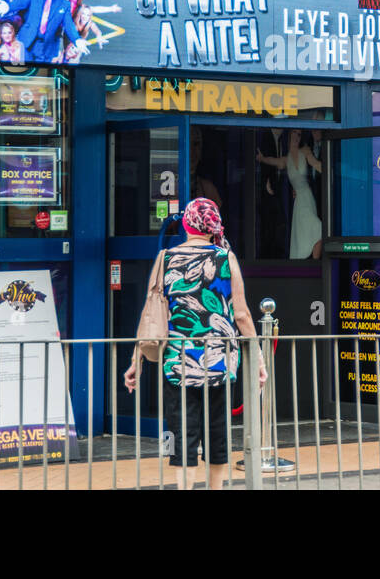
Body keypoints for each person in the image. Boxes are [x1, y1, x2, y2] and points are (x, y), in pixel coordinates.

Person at [122, 197, 266, 489]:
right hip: (220, 363)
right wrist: (259, 358)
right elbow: (242, 313)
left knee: (181, 435)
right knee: (218, 434)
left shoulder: (167, 258)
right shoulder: (225, 258)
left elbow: (153, 314)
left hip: (179, 364)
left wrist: (136, 360)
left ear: (186, 224)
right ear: (212, 225)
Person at [256, 128, 322, 259]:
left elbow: (318, 165)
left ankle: (315, 263)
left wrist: (336, 168)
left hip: (307, 198)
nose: (297, 136)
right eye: (295, 133)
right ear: (289, 134)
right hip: (298, 202)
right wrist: (261, 159)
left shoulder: (305, 151)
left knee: (318, 228)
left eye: (299, 134)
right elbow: (272, 160)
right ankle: (310, 264)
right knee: (306, 235)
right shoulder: (286, 159)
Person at [17, 0, 84, 64]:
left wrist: (77, 39)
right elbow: (21, 2)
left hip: (49, 44)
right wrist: (8, 6)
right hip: (28, 40)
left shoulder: (65, 3)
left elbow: (69, 24)